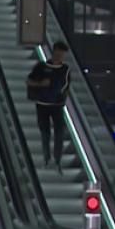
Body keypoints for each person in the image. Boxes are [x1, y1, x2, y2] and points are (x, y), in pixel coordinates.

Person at [26, 42, 71, 171]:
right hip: (42, 105)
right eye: (60, 53)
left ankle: (57, 160)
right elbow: (29, 80)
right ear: (55, 51)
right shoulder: (41, 66)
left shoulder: (65, 69)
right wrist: (40, 84)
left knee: (59, 133)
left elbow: (67, 86)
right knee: (45, 133)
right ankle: (47, 159)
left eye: (63, 54)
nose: (61, 56)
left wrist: (65, 95)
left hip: (57, 105)